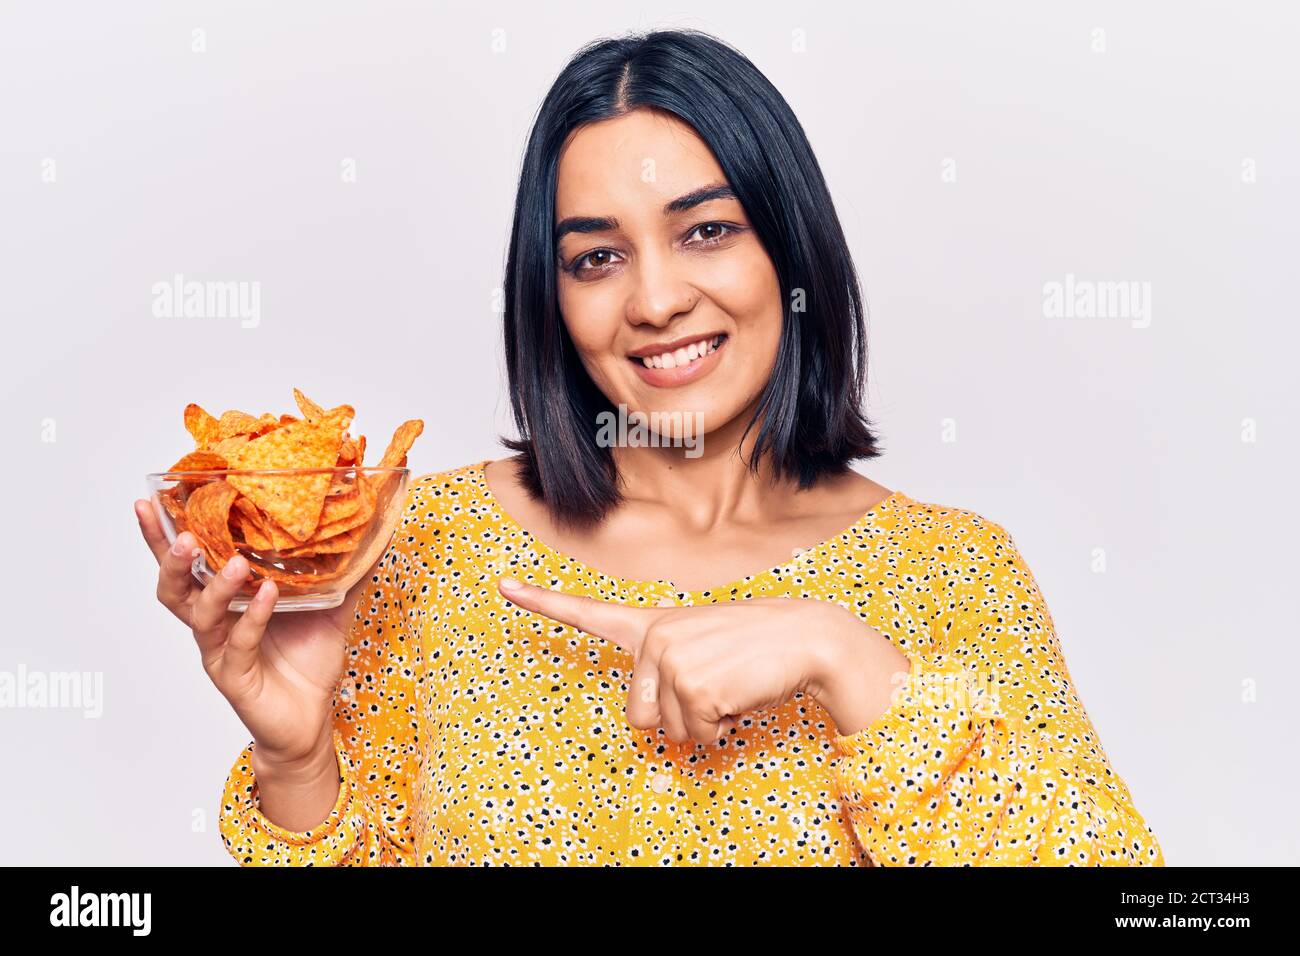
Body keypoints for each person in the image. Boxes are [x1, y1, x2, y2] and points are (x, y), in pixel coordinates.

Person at [134, 28, 1165, 866]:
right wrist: (298, 756)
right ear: (555, 297)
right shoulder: (424, 548)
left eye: (706, 230)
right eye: (597, 255)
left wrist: (847, 660)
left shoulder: (953, 573)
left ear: (790, 246)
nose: (658, 298)